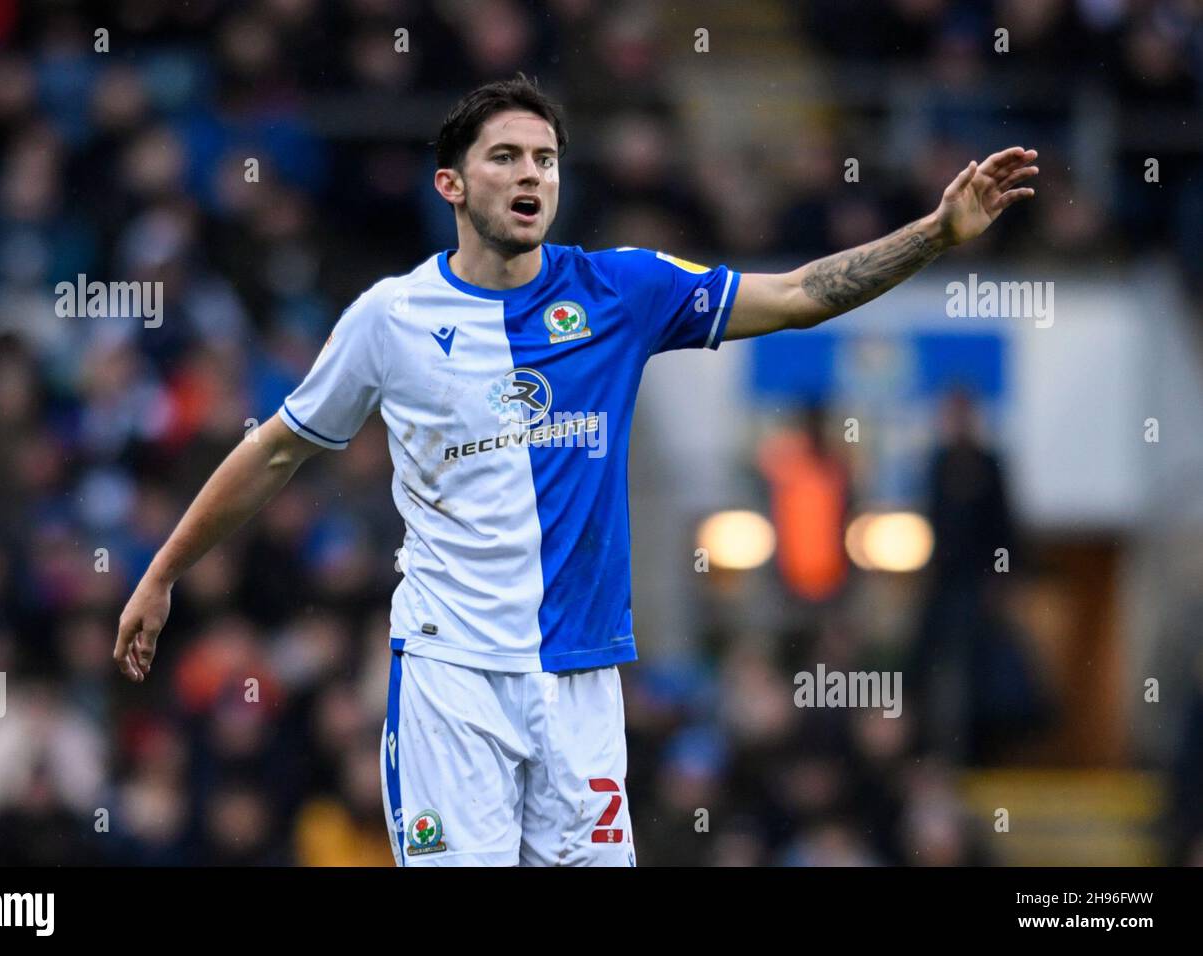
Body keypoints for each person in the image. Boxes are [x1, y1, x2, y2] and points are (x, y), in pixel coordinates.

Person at [114, 72, 1039, 866]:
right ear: (451, 183)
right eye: (506, 157)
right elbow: (276, 447)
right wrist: (161, 573)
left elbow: (796, 295)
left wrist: (937, 234)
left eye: (545, 160)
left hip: (582, 679)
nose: (530, 175)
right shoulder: (390, 319)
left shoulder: (623, 290)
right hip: (452, 674)